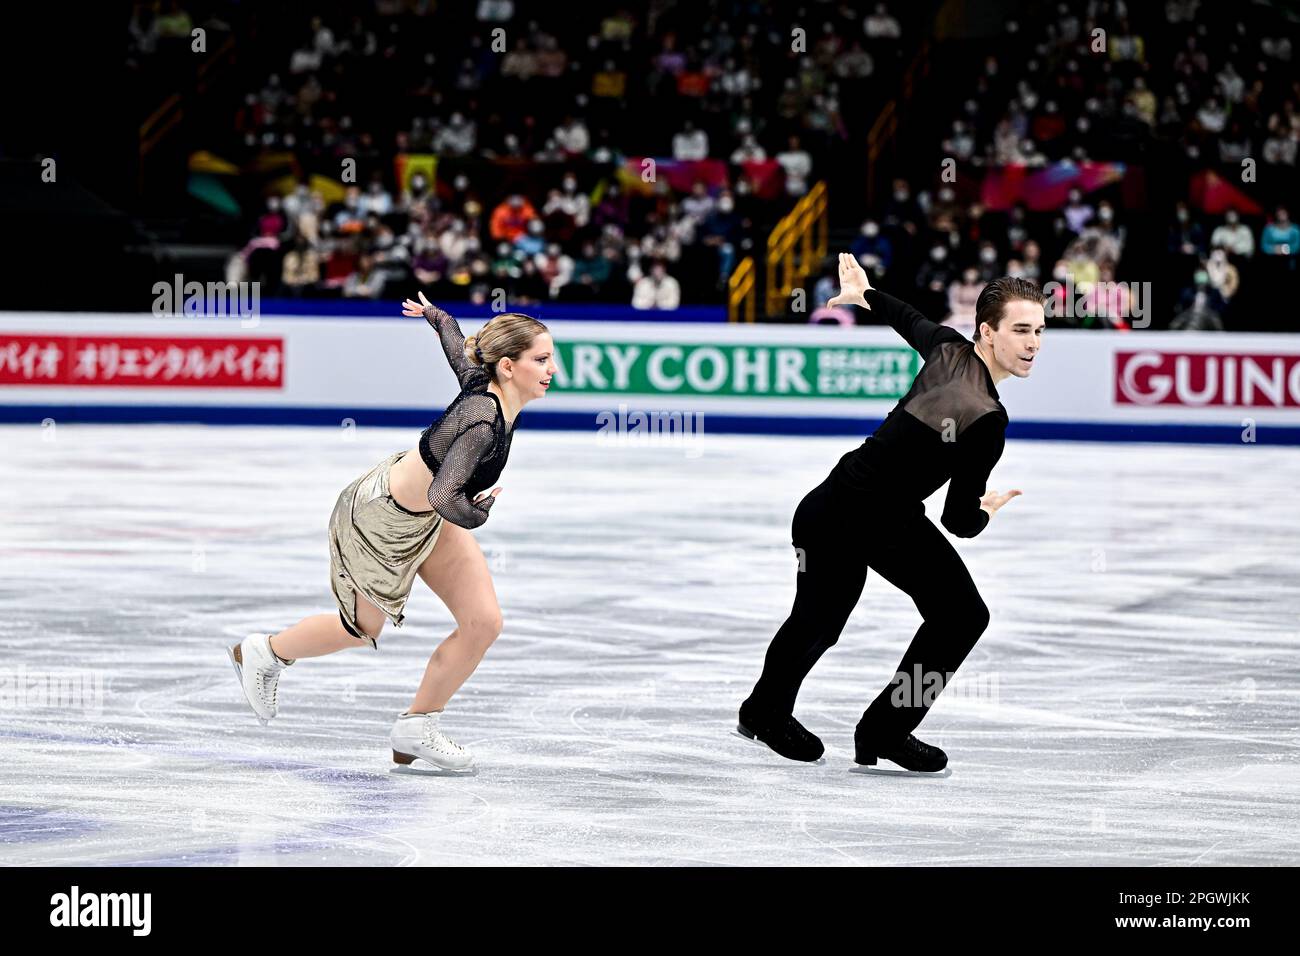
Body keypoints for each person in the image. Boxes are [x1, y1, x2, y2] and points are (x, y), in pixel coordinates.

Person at [740, 254, 1045, 772]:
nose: (1033, 343)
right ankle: (882, 728)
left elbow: (909, 319)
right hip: (872, 519)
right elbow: (958, 521)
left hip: (832, 506)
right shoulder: (989, 419)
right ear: (987, 332)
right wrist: (987, 513)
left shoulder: (947, 348)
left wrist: (866, 295)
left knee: (818, 622)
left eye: (1039, 330)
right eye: (1020, 330)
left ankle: (766, 710)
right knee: (960, 617)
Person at [228, 292, 557, 772]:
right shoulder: (484, 421)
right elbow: (446, 496)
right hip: (380, 519)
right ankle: (265, 652)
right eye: (542, 359)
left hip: (424, 519)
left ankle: (417, 727)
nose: (552, 369)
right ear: (508, 366)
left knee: (483, 622)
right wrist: (479, 513)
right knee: (361, 629)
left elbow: (455, 348)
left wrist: (436, 316)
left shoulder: (485, 388)